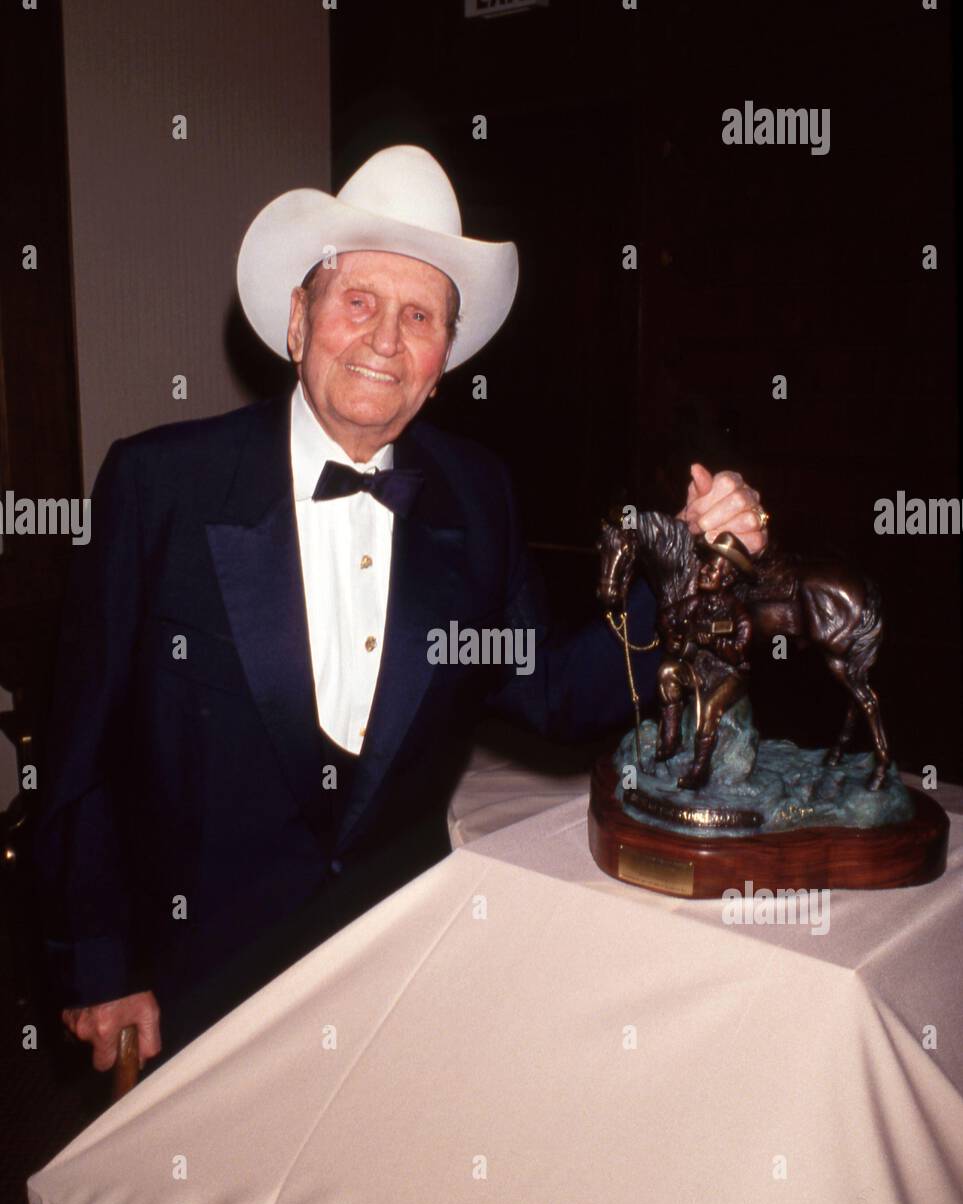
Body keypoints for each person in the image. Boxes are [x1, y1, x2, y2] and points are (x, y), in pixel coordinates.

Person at [34, 145, 769, 1072]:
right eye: (358, 301)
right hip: (196, 977)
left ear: (442, 361)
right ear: (297, 322)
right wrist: (99, 961)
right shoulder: (160, 484)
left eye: (419, 316)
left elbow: (552, 691)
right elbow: (84, 747)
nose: (385, 340)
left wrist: (696, 572)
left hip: (391, 966)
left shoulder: (477, 494)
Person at [655, 533, 755, 789]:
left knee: (709, 709)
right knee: (667, 671)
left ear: (728, 579)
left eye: (712, 569)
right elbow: (666, 617)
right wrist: (672, 637)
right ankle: (671, 739)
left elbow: (740, 653)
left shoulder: (739, 614)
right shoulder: (695, 603)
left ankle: (700, 770)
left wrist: (715, 643)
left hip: (729, 675)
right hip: (699, 669)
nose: (703, 571)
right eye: (704, 565)